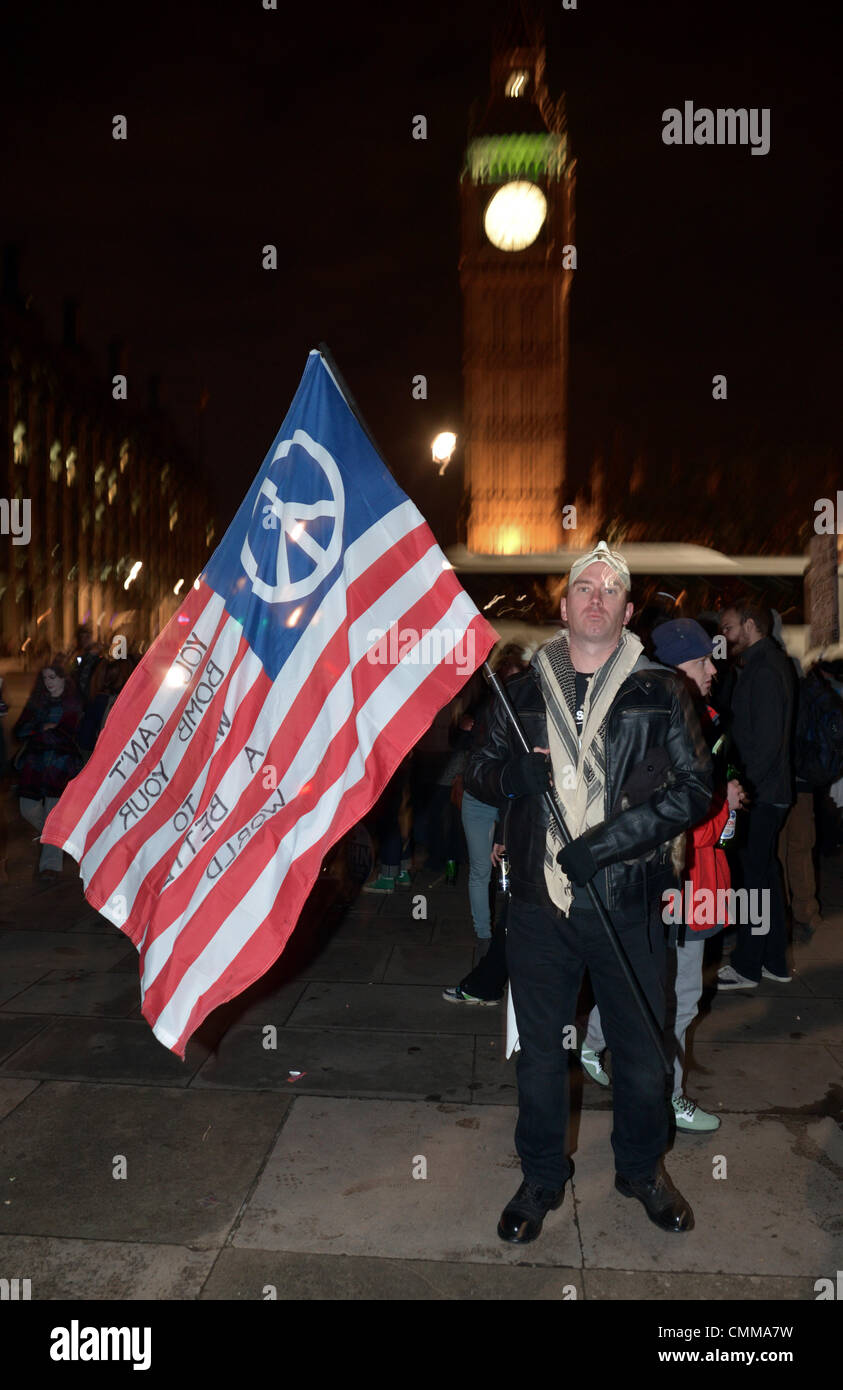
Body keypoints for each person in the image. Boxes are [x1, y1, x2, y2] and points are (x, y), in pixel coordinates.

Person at [466, 541, 712, 1243]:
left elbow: (694, 791)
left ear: (626, 610)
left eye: (610, 589)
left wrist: (603, 844)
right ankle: (541, 1176)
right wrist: (515, 776)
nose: (596, 597)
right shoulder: (520, 690)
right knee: (542, 1053)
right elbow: (478, 770)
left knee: (641, 1051)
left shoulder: (661, 689)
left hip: (628, 900)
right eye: (584, 587)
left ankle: (640, 1170)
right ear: (565, 605)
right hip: (540, 908)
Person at [581, 619, 745, 1132]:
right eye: (701, 661)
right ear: (678, 668)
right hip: (677, 883)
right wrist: (723, 806)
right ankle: (666, 1098)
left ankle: (591, 1043)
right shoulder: (664, 722)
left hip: (702, 882)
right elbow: (662, 820)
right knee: (678, 996)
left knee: (653, 986)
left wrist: (726, 803)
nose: (713, 667)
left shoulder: (706, 717)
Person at [716, 601, 796, 988]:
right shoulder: (767, 664)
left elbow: (764, 743)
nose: (725, 637)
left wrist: (744, 790)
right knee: (764, 875)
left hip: (760, 793)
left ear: (750, 625)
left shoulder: (763, 669)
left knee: (754, 880)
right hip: (768, 790)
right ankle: (774, 961)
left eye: (729, 627)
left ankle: (748, 964)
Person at [13, 662, 83, 879]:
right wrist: (43, 729)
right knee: (27, 808)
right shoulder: (37, 701)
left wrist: (43, 731)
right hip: (35, 766)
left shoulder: (74, 703)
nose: (48, 682)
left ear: (63, 678)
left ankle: (50, 866)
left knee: (52, 813)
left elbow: (72, 735)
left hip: (61, 767)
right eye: (45, 678)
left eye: (53, 677)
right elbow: (20, 730)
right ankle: (61, 837)